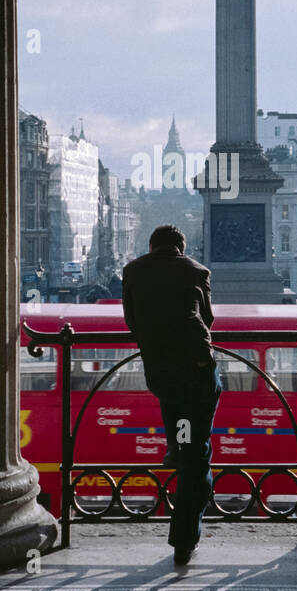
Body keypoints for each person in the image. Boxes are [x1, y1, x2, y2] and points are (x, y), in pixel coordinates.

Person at [122, 225, 221, 566]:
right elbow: (207, 319)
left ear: (151, 247)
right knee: (198, 457)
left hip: (161, 372)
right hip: (196, 369)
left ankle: (176, 444)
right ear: (182, 247)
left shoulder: (133, 271)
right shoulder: (197, 270)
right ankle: (184, 538)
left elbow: (132, 321)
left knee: (177, 411)